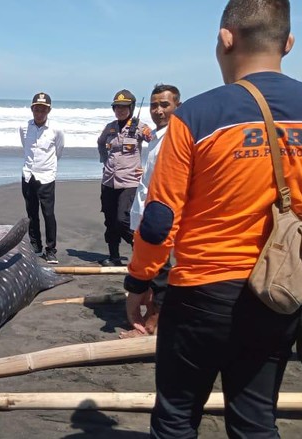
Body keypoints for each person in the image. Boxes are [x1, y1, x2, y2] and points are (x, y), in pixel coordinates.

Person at [124, 1, 302, 436]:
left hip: (200, 292)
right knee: (254, 420)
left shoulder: (196, 115)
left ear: (225, 38)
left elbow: (159, 218)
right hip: (278, 294)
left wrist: (140, 282)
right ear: (288, 43)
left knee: (176, 417)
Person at [121, 84, 181, 339]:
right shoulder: (156, 136)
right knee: (150, 266)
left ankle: (153, 321)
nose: (158, 110)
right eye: (154, 105)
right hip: (144, 210)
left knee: (161, 269)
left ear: (177, 106)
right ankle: (150, 310)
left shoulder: (175, 138)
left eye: (164, 105)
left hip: (161, 217)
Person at [97, 89, 152, 266]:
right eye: (117, 107)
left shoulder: (140, 127)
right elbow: (100, 142)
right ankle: (114, 257)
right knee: (110, 220)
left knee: (123, 220)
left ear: (131, 107)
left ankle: (142, 250)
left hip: (129, 181)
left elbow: (158, 142)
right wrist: (104, 161)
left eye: (124, 107)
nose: (120, 110)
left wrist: (149, 168)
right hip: (109, 181)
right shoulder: (110, 127)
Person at [19, 92, 65, 264]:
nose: (39, 113)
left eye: (43, 110)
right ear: (32, 109)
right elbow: (26, 148)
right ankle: (35, 246)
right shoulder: (24, 128)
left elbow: (59, 150)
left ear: (48, 111)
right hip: (28, 174)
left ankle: (51, 249)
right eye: (37, 109)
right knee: (31, 212)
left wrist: (48, 167)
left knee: (48, 213)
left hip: (46, 176)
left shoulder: (56, 130)